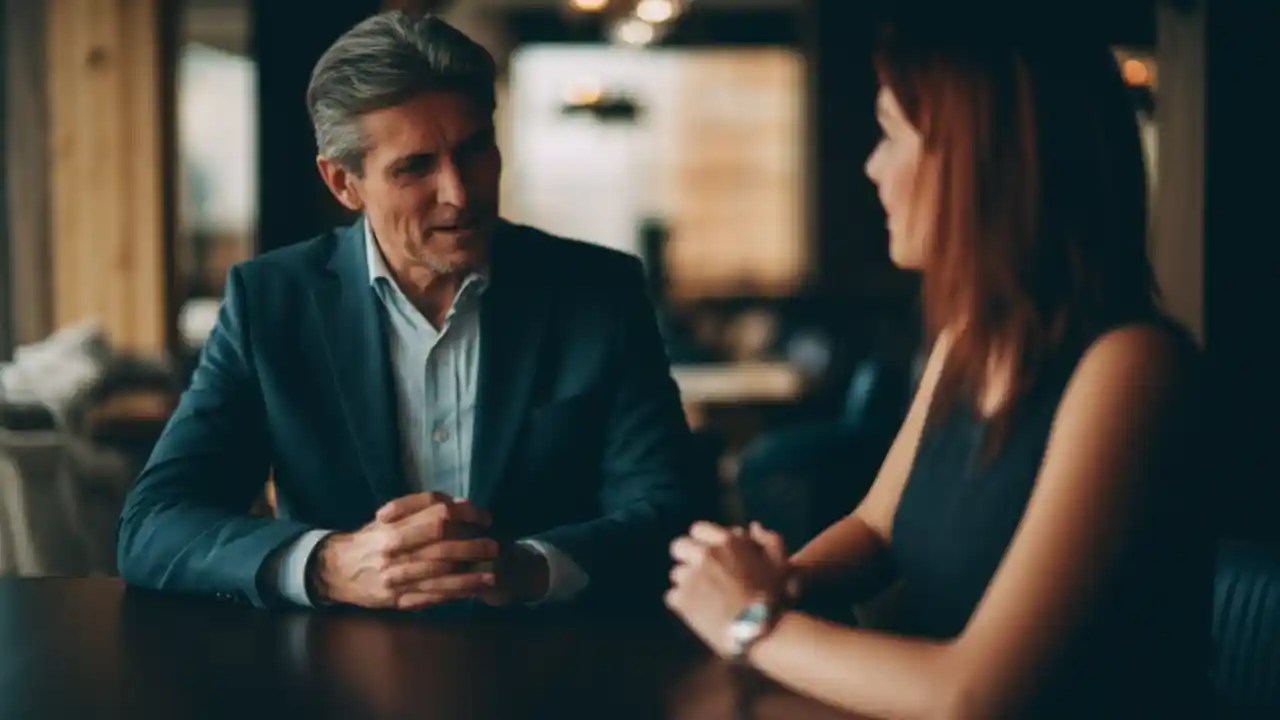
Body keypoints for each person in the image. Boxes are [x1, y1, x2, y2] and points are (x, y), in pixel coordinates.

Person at [665, 12, 1210, 719]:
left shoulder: (1131, 368)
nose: (871, 166)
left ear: (979, 160)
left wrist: (749, 624)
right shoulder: (969, 337)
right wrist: (778, 582)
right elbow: (876, 528)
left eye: (890, 135)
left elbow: (972, 693)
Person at [118, 11, 706, 612]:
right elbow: (154, 525)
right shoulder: (270, 301)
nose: (459, 192)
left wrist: (530, 568)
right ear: (344, 183)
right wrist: (328, 565)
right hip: (331, 677)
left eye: (475, 150)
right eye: (415, 167)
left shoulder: (599, 291)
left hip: (554, 667)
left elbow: (673, 512)